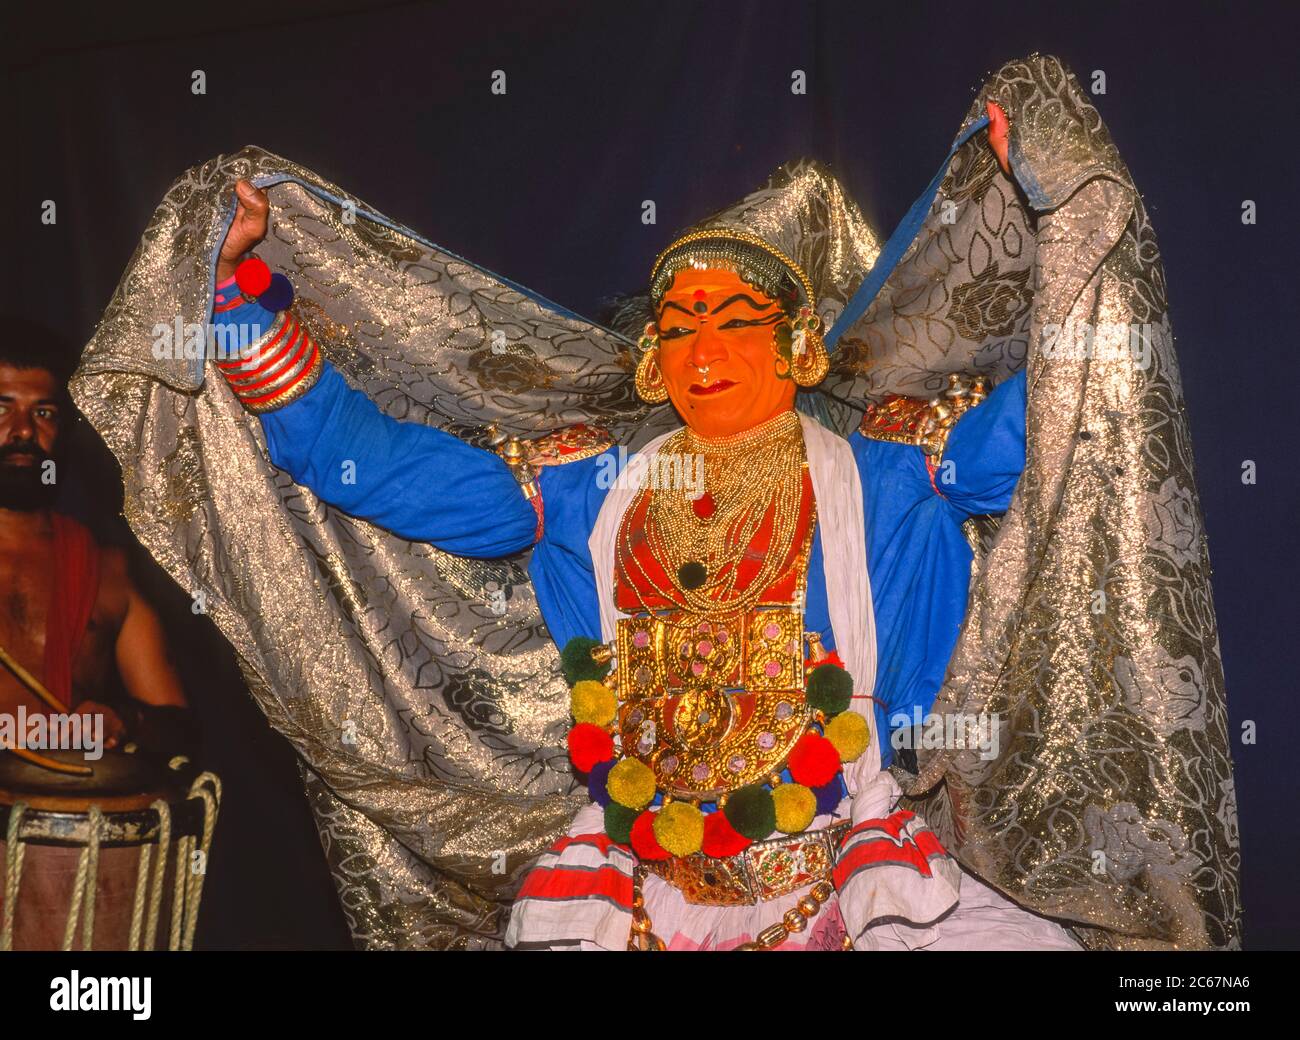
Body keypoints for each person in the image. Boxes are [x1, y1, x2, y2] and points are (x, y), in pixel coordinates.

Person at [201, 94, 1082, 949]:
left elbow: (1056, 411)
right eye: (679, 329)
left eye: (737, 322)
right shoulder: (587, 487)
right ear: (655, 364)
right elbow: (376, 466)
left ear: (799, 344)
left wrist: (1061, 209)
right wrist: (237, 301)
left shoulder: (887, 472)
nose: (704, 352)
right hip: (643, 891)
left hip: (857, 879)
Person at [0, 321, 192, 757]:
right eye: (2, 408)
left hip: (70, 814)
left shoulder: (107, 571)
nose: (24, 431)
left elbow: (179, 730)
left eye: (44, 412)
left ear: (65, 431)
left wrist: (127, 720)